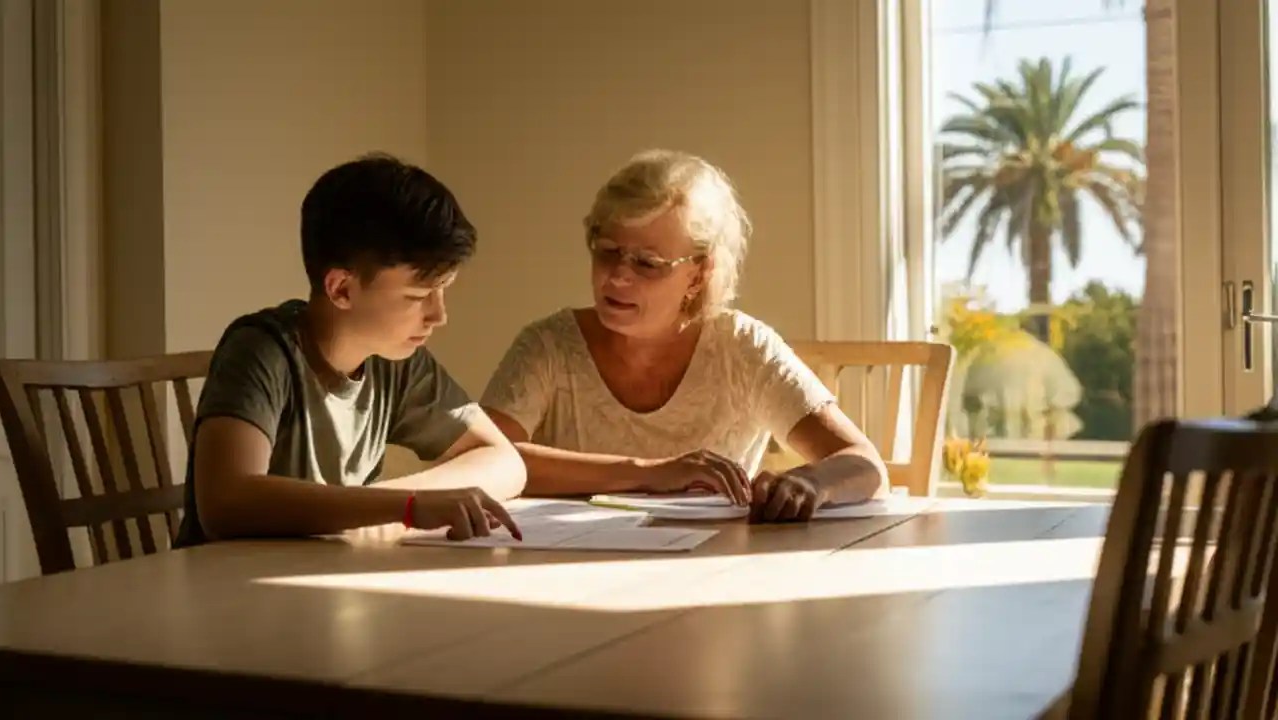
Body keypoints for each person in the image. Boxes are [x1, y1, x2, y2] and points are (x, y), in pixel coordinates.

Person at [481, 149, 887, 522]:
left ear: (699, 273)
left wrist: (812, 483)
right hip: (560, 569)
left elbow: (865, 464)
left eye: (648, 263)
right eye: (607, 250)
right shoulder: (549, 345)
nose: (619, 275)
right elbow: (484, 459)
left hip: (714, 573)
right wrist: (648, 474)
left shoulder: (743, 347)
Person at [175, 153, 526, 547]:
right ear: (341, 288)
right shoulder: (262, 351)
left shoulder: (394, 361)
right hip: (228, 589)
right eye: (419, 295)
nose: (438, 315)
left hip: (325, 583)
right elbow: (226, 503)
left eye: (442, 291)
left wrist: (405, 503)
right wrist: (406, 506)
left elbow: (505, 461)